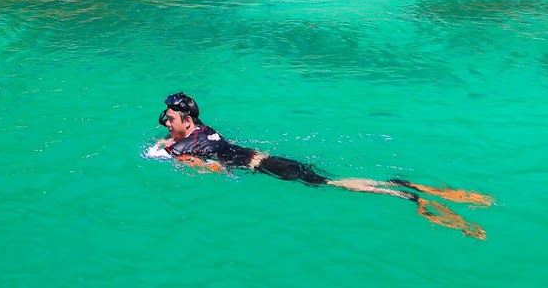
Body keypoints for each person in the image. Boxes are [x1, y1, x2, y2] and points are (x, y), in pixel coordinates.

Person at [149, 92, 492, 238]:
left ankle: (405, 195)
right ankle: (404, 186)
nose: (166, 121)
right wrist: (174, 146)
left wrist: (185, 162)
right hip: (269, 159)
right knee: (328, 179)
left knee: (331, 184)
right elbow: (197, 145)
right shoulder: (203, 131)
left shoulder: (189, 146)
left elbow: (216, 170)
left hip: (269, 168)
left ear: (188, 121)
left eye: (171, 118)